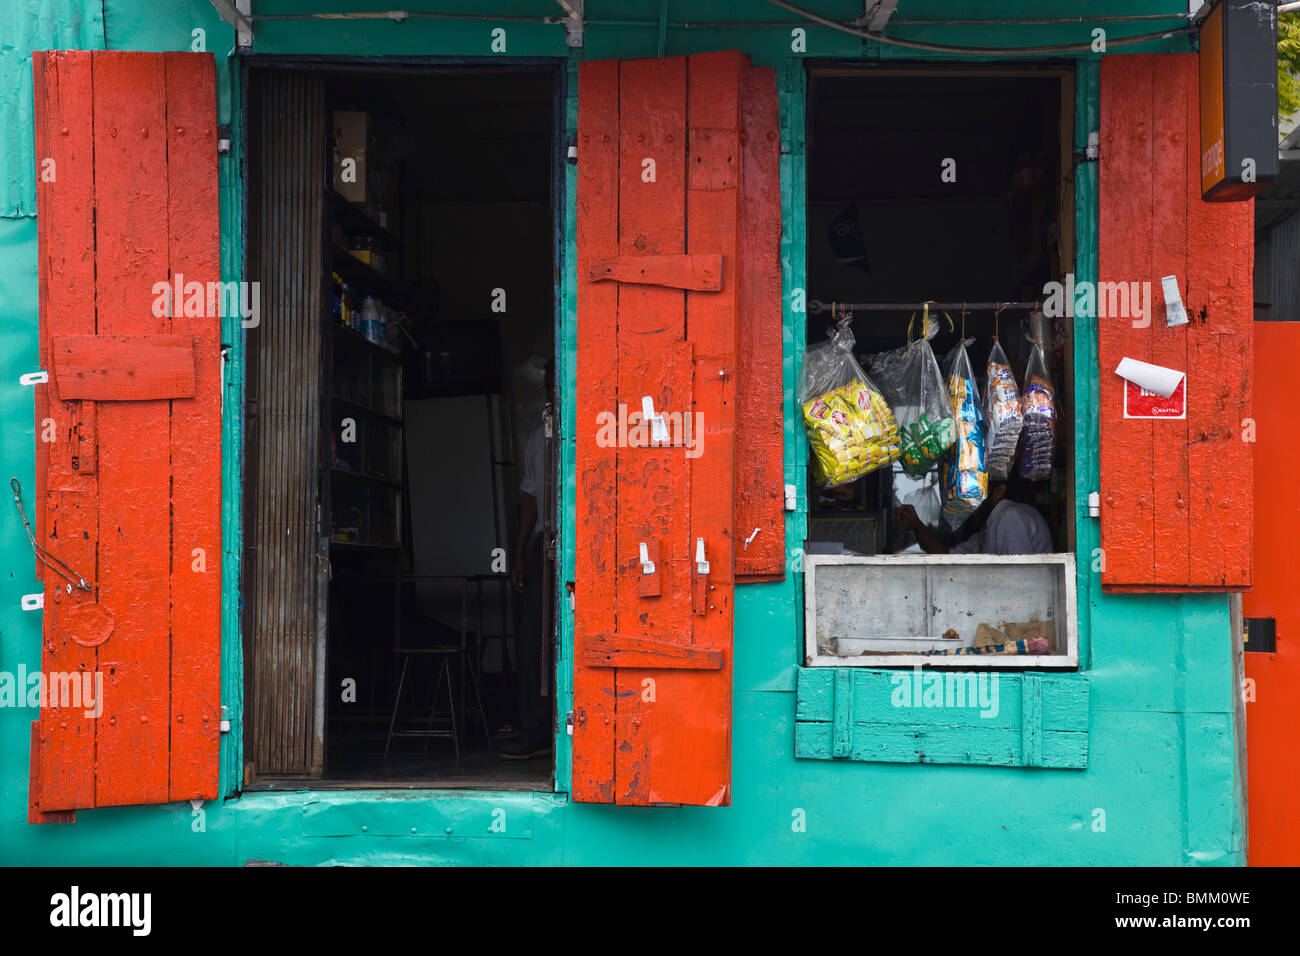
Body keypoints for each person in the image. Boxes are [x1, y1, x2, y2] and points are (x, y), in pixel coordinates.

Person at [502, 359, 554, 760]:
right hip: (543, 545)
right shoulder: (539, 437)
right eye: (550, 385)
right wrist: (519, 554)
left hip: (582, 546)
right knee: (533, 638)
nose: (555, 391)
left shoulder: (593, 430)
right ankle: (535, 731)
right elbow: (530, 500)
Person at [896, 473, 1053, 555]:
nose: (969, 502)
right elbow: (947, 557)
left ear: (998, 492)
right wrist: (917, 527)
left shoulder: (1010, 517)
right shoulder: (990, 526)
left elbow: (1021, 576)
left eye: (975, 493)